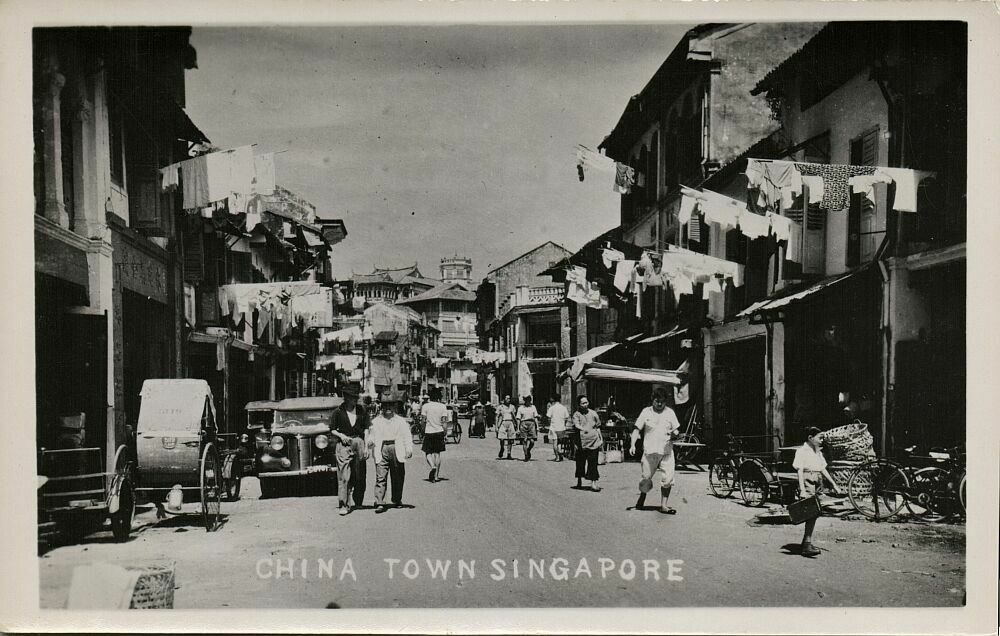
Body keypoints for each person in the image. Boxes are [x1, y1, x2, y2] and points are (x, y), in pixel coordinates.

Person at [630, 387, 682, 514]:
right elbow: (636, 429)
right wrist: (632, 445)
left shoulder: (670, 413)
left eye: (662, 401)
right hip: (650, 452)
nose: (659, 404)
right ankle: (643, 495)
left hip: (666, 451)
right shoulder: (646, 412)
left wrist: (675, 434)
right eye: (657, 401)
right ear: (652, 400)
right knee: (646, 478)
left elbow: (676, 430)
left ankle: (664, 505)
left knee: (668, 479)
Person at [793, 427, 843, 557]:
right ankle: (807, 544)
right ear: (810, 438)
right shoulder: (802, 451)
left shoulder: (817, 452)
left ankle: (806, 542)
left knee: (815, 512)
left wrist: (834, 484)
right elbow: (799, 471)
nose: (822, 440)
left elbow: (822, 469)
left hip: (817, 481)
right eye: (820, 438)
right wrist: (802, 490)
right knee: (812, 512)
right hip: (808, 480)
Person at [367, 392, 414, 513]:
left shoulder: (401, 421)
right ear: (381, 406)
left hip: (397, 447)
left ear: (395, 406)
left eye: (390, 405)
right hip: (381, 448)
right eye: (385, 405)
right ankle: (380, 501)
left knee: (398, 476)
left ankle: (397, 499)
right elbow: (371, 434)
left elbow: (407, 435)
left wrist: (409, 448)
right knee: (380, 476)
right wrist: (370, 442)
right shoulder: (376, 421)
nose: (388, 408)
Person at [330, 385, 371, 515]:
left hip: (359, 442)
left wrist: (366, 446)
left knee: (360, 474)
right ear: (346, 398)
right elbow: (332, 429)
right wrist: (341, 435)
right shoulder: (338, 411)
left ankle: (358, 501)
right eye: (352, 397)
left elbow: (366, 429)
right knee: (344, 475)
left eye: (356, 397)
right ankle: (344, 504)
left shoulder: (362, 410)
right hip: (344, 444)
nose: (355, 400)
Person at [572, 396, 603, 491]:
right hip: (581, 443)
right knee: (580, 462)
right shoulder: (576, 414)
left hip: (594, 441)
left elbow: (598, 427)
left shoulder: (593, 413)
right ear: (579, 405)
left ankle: (593, 483)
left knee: (593, 463)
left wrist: (601, 439)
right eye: (583, 403)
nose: (585, 405)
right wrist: (583, 428)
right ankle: (579, 480)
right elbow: (576, 425)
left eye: (586, 402)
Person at [421, 388, 448, 482]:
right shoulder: (443, 406)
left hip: (429, 431)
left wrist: (422, 430)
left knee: (428, 453)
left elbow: (423, 420)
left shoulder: (425, 406)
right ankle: (436, 476)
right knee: (437, 453)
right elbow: (444, 422)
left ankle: (432, 466)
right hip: (439, 431)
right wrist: (445, 432)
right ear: (439, 397)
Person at [546, 394, 570, 462]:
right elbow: (566, 418)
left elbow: (548, 418)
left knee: (555, 442)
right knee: (559, 442)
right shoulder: (563, 408)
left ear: (553, 399)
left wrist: (550, 423)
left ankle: (557, 457)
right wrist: (564, 424)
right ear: (560, 399)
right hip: (561, 427)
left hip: (553, 427)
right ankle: (560, 454)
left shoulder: (552, 408)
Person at [515, 395, 540, 461]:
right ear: (524, 400)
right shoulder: (520, 408)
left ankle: (528, 450)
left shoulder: (533, 407)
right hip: (523, 424)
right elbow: (518, 419)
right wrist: (518, 429)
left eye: (529, 400)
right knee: (524, 441)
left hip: (531, 424)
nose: (528, 401)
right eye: (526, 400)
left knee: (532, 441)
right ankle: (526, 455)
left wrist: (537, 426)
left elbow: (535, 417)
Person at [496, 395, 517, 460]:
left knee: (510, 439)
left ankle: (509, 453)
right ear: (504, 399)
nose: (508, 400)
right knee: (501, 438)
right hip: (503, 422)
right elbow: (497, 417)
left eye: (509, 398)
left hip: (510, 422)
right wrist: (496, 426)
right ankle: (502, 448)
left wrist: (516, 424)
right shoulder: (500, 407)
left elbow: (514, 416)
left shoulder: (512, 407)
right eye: (507, 398)